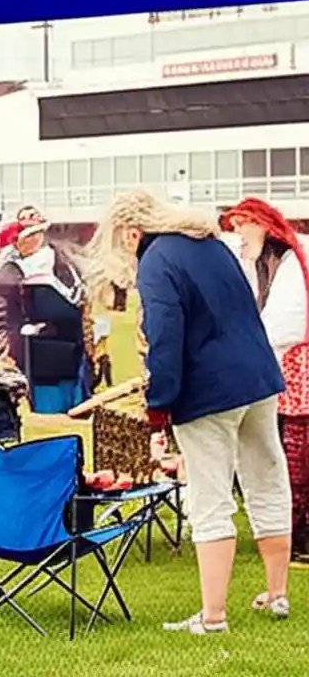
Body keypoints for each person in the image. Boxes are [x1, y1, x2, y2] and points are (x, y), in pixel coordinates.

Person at [87, 189, 292, 634]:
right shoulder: (212, 244)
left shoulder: (158, 259)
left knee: (209, 496)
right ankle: (277, 594)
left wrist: (159, 408)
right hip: (257, 377)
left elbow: (166, 337)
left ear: (132, 231)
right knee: (267, 480)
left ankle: (213, 615)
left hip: (209, 390)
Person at [220, 198, 309, 570]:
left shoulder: (287, 259)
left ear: (262, 223)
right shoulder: (260, 262)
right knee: (283, 449)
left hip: (297, 364)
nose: (237, 232)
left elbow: (286, 320)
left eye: (243, 223)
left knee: (296, 452)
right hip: (276, 365)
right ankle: (288, 532)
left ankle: (299, 536)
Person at [0, 217, 93, 414]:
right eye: (31, 234)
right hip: (37, 361)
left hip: (73, 354)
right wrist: (8, 355)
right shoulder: (8, 273)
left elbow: (83, 303)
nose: (37, 238)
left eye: (39, 233)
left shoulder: (63, 262)